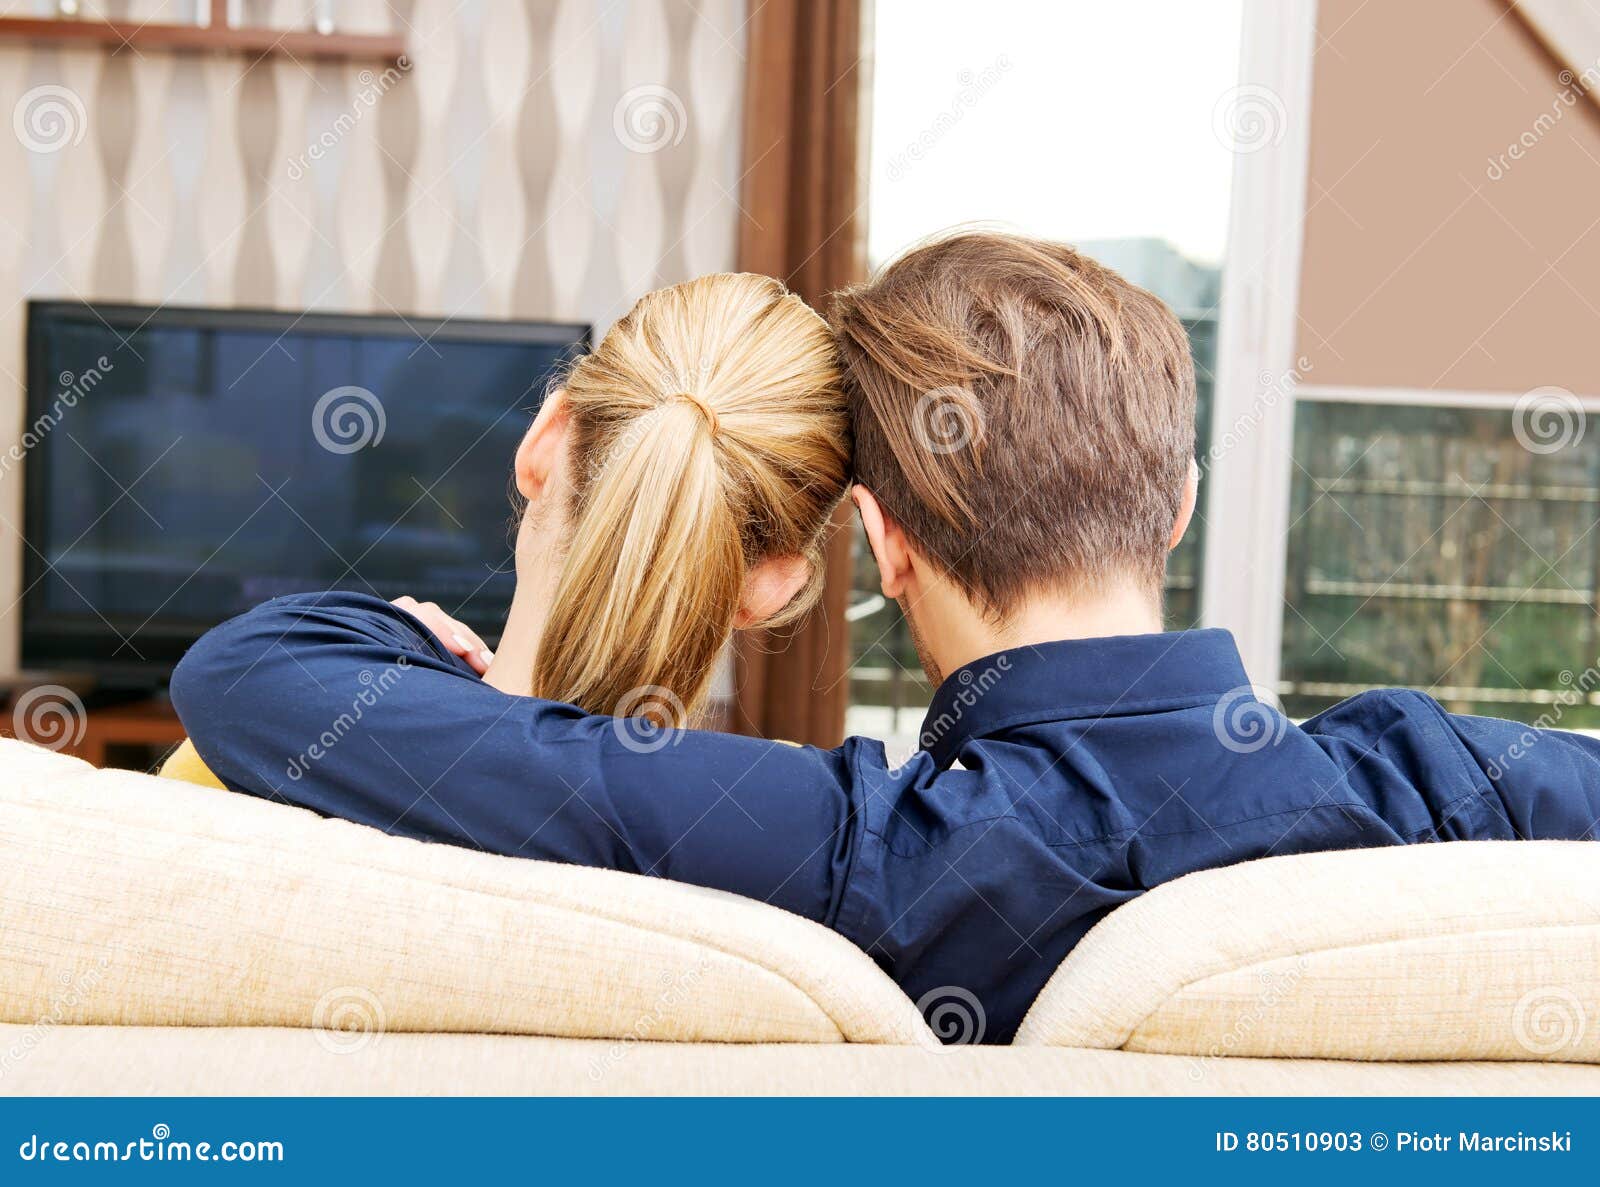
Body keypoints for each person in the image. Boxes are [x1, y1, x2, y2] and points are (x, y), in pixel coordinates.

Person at [172, 234, 1600, 1045]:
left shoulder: (847, 852)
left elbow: (250, 680)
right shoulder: (1452, 784)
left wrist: (431, 673)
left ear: (887, 547)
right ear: (1178, 504)